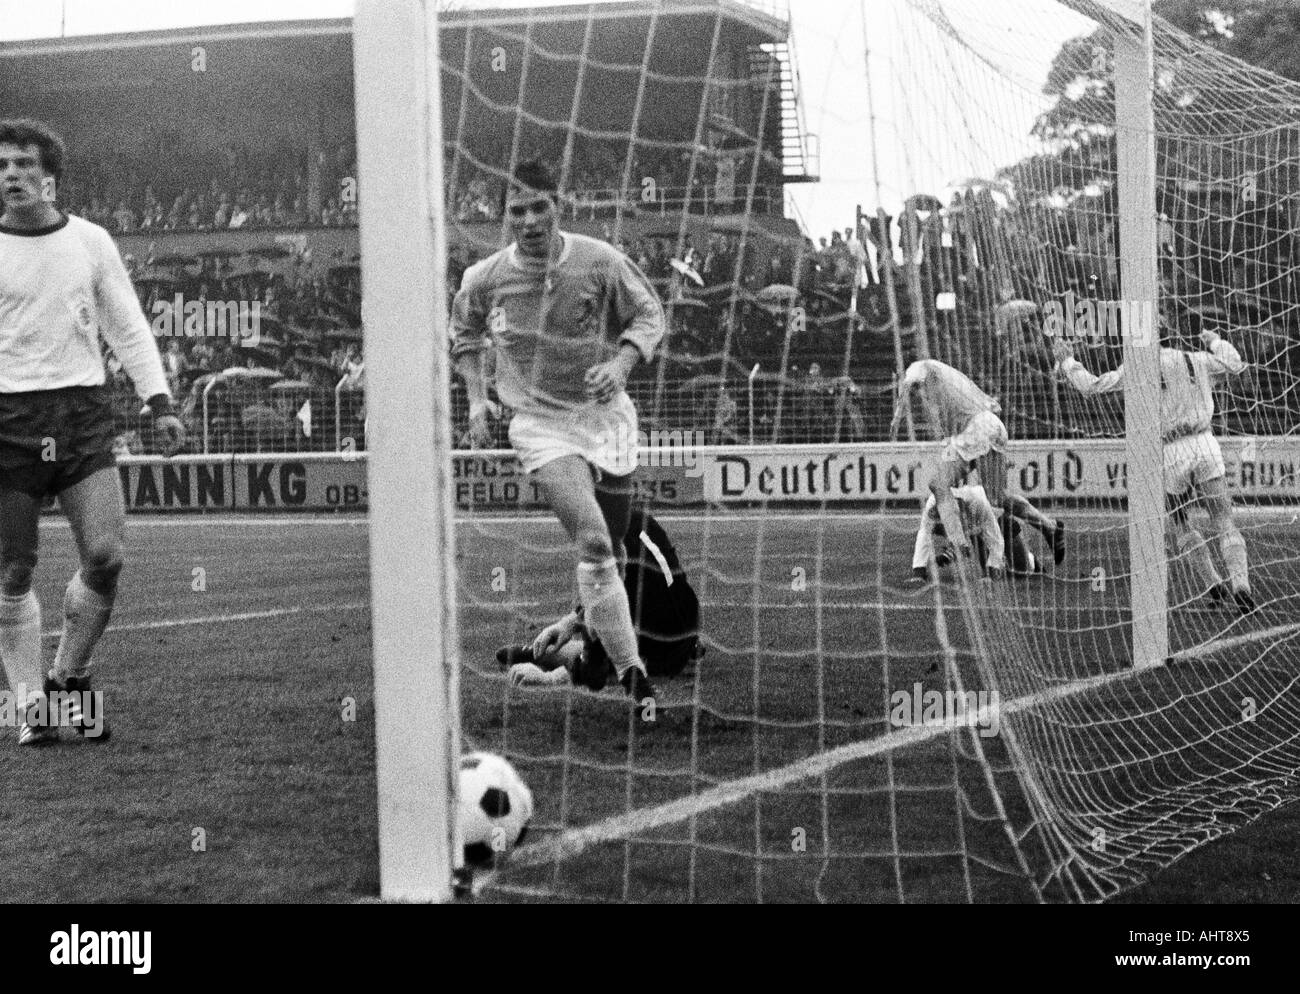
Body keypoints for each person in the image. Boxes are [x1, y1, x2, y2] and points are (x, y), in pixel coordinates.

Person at [452, 158, 664, 709]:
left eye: (538, 207)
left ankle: (575, 644)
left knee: (611, 551)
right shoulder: (484, 278)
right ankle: (634, 678)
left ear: (558, 207)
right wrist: (477, 400)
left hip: (608, 420)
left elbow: (649, 313)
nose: (528, 220)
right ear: (505, 215)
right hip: (540, 427)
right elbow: (464, 338)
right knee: (594, 542)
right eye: (516, 210)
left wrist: (620, 364)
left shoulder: (599, 260)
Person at [0, 118, 185, 746]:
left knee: (106, 558)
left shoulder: (91, 241)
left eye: (24, 163)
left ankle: (67, 681)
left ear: (49, 175)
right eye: (2, 165)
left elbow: (128, 326)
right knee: (11, 575)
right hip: (8, 421)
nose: (11, 175)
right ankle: (32, 712)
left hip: (80, 415)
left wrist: (158, 401)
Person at [1053, 328, 1254, 613]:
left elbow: (1093, 385)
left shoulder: (1139, 366)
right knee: (1224, 520)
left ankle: (1214, 583)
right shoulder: (1195, 359)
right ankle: (1241, 584)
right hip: (1205, 443)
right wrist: (1215, 341)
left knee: (1182, 523)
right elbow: (1235, 365)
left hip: (1171, 451)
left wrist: (1067, 361)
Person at [891, 358, 1064, 578]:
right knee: (996, 498)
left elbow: (913, 377)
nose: (915, 394)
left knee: (938, 484)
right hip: (991, 426)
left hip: (978, 429)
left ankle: (957, 546)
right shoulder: (946, 386)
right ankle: (1049, 527)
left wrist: (897, 416)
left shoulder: (920, 367)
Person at [499, 507, 701, 689]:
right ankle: (541, 652)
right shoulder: (639, 519)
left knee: (604, 637)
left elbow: (598, 658)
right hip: (682, 630)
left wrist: (549, 678)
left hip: (657, 652)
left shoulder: (607, 544)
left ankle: (546, 657)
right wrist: (568, 624)